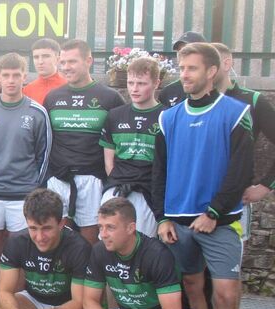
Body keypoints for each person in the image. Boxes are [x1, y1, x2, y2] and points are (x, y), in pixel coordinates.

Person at [153, 43, 253, 309]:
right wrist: (162, 216)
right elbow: (159, 171)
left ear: (211, 72)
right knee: (192, 291)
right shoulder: (168, 117)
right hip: (178, 223)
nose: (184, 74)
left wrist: (213, 212)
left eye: (192, 68)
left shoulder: (236, 113)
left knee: (225, 294)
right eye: (181, 68)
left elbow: (241, 171)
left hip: (219, 222)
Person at [211, 42, 275, 309]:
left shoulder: (251, 99)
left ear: (225, 62)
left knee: (228, 279)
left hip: (234, 206)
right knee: (192, 278)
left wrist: (265, 185)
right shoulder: (186, 98)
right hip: (194, 203)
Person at [0, 52, 51, 266]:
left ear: (25, 76)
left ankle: (15, 298)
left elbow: (44, 155)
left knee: (20, 253)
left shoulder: (37, 113)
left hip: (23, 195)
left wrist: (33, 186)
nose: (11, 80)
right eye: (6, 75)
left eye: (16, 75)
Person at [44, 39, 125, 245]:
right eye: (62, 62)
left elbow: (119, 142)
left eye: (72, 62)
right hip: (59, 179)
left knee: (89, 242)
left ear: (89, 60)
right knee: (56, 241)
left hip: (92, 180)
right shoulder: (52, 97)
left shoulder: (110, 97)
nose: (66, 67)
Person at [99, 57, 164, 238]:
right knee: (108, 241)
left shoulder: (167, 117)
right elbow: (109, 163)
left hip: (148, 193)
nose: (134, 89)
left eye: (141, 83)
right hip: (117, 190)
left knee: (141, 244)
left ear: (156, 83)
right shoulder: (115, 115)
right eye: (131, 82)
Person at [159, 31, 207, 108]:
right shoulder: (168, 92)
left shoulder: (215, 90)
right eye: (179, 50)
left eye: (187, 50)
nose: (182, 54)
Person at [23, 38, 67, 105]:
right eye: (36, 57)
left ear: (57, 59)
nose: (40, 62)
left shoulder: (69, 87)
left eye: (46, 56)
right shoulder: (27, 90)